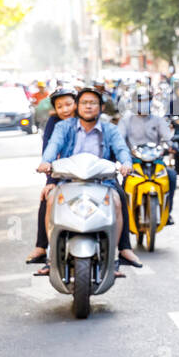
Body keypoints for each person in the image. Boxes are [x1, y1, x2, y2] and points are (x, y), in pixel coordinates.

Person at [36, 87, 142, 273]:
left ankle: (113, 258)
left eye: (93, 103)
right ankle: (51, 257)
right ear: (77, 106)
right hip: (68, 182)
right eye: (84, 102)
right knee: (51, 199)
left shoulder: (110, 129)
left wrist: (126, 163)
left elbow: (121, 149)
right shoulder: (63, 127)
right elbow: (53, 146)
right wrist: (46, 161)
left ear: (101, 107)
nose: (88, 106)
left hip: (102, 182)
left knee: (118, 201)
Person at [26, 86, 79, 265]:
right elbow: (49, 153)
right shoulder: (53, 123)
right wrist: (50, 181)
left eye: (69, 104)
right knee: (46, 198)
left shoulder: (89, 119)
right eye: (60, 106)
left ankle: (122, 250)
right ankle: (42, 247)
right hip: (62, 174)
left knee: (118, 195)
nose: (65, 110)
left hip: (93, 174)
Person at [121, 87, 179, 224]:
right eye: (140, 100)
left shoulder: (158, 120)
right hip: (134, 161)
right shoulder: (126, 120)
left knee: (171, 176)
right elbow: (119, 139)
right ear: (134, 102)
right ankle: (124, 215)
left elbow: (167, 137)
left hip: (156, 160)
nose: (143, 103)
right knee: (123, 182)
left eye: (147, 100)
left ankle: (167, 212)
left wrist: (171, 145)